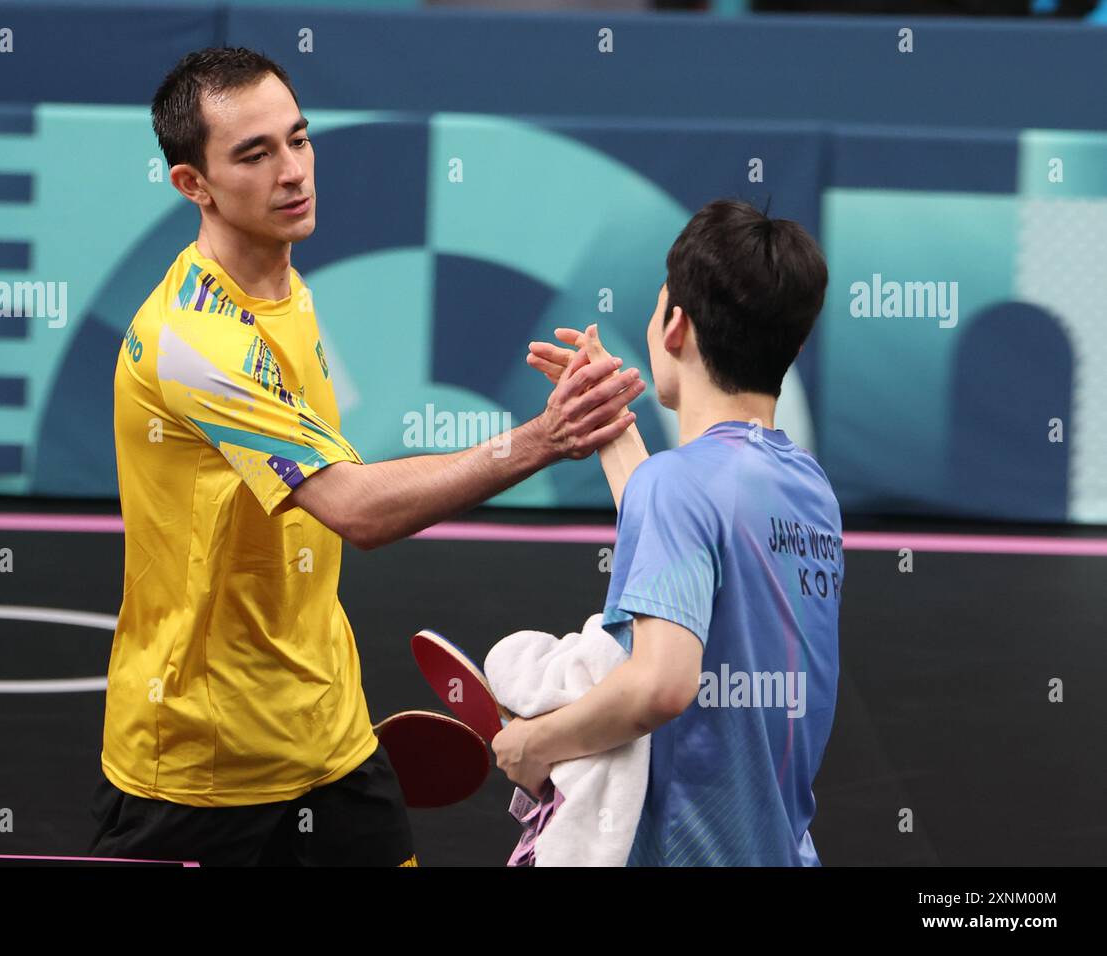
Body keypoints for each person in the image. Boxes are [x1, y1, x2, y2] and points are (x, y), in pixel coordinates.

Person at [88, 47, 642, 866]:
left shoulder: (284, 284)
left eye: (298, 140)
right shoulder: (193, 341)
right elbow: (355, 509)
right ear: (191, 186)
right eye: (255, 154)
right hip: (201, 766)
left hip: (330, 735)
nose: (293, 171)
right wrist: (542, 439)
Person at [499, 198, 840, 866]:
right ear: (794, 345)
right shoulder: (809, 486)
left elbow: (661, 686)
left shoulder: (677, 486)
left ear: (674, 327)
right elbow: (681, 547)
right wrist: (614, 427)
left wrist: (535, 745)